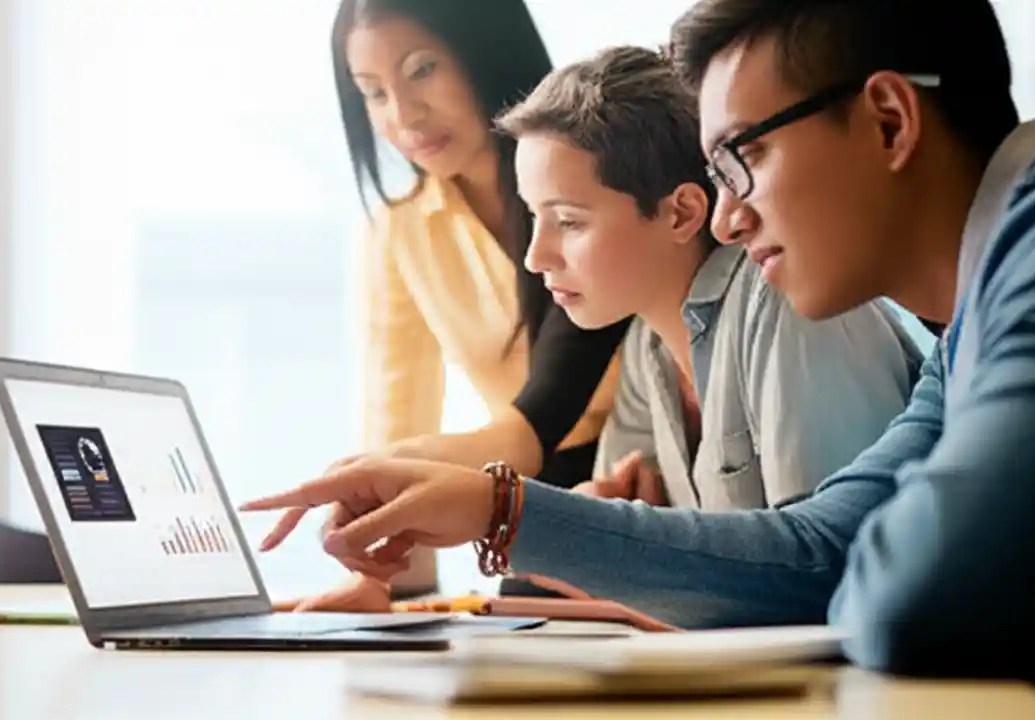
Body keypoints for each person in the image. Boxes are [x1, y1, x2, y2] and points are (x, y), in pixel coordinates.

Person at [245, 0, 1035, 681]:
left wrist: (809, 590)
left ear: (889, 121)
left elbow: (915, 598)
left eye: (741, 159)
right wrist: (501, 509)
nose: (728, 214)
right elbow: (816, 554)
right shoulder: (976, 321)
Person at [260, 42, 924, 615]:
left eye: (569, 222)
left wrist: (546, 525)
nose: (535, 256)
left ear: (680, 212)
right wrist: (590, 524)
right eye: (533, 218)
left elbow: (822, 583)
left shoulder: (786, 308)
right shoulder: (647, 353)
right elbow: (634, 571)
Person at [318, 0, 629, 598]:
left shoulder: (594, 174)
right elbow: (395, 413)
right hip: (528, 504)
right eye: (373, 93)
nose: (404, 115)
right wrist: (373, 578)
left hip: (645, 478)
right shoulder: (401, 232)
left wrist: (382, 478)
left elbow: (537, 419)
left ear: (486, 49)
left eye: (422, 69)